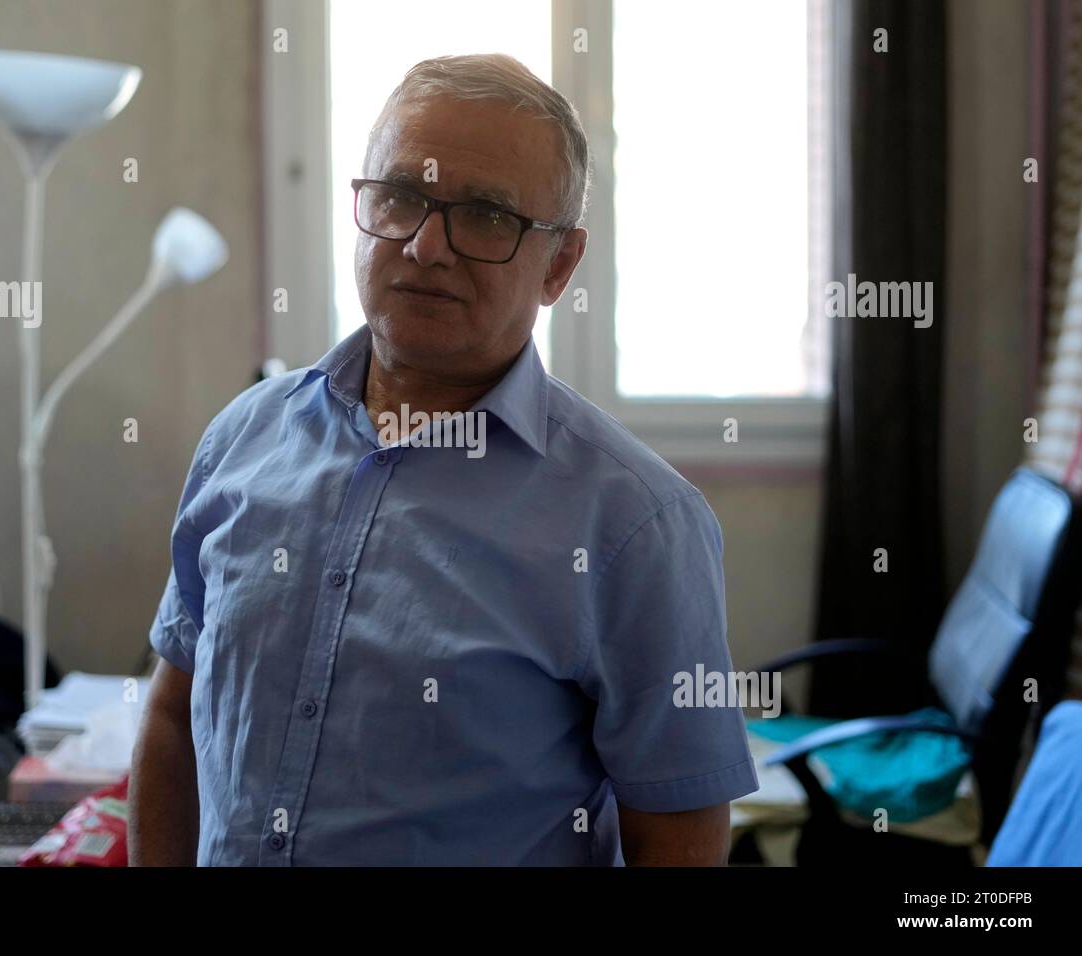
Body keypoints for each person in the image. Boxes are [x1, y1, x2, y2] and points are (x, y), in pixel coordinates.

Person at [129, 53, 757, 866]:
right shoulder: (241, 442)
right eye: (400, 197)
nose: (427, 246)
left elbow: (678, 836)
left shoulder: (635, 523)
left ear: (560, 265)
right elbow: (175, 718)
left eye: (487, 215)